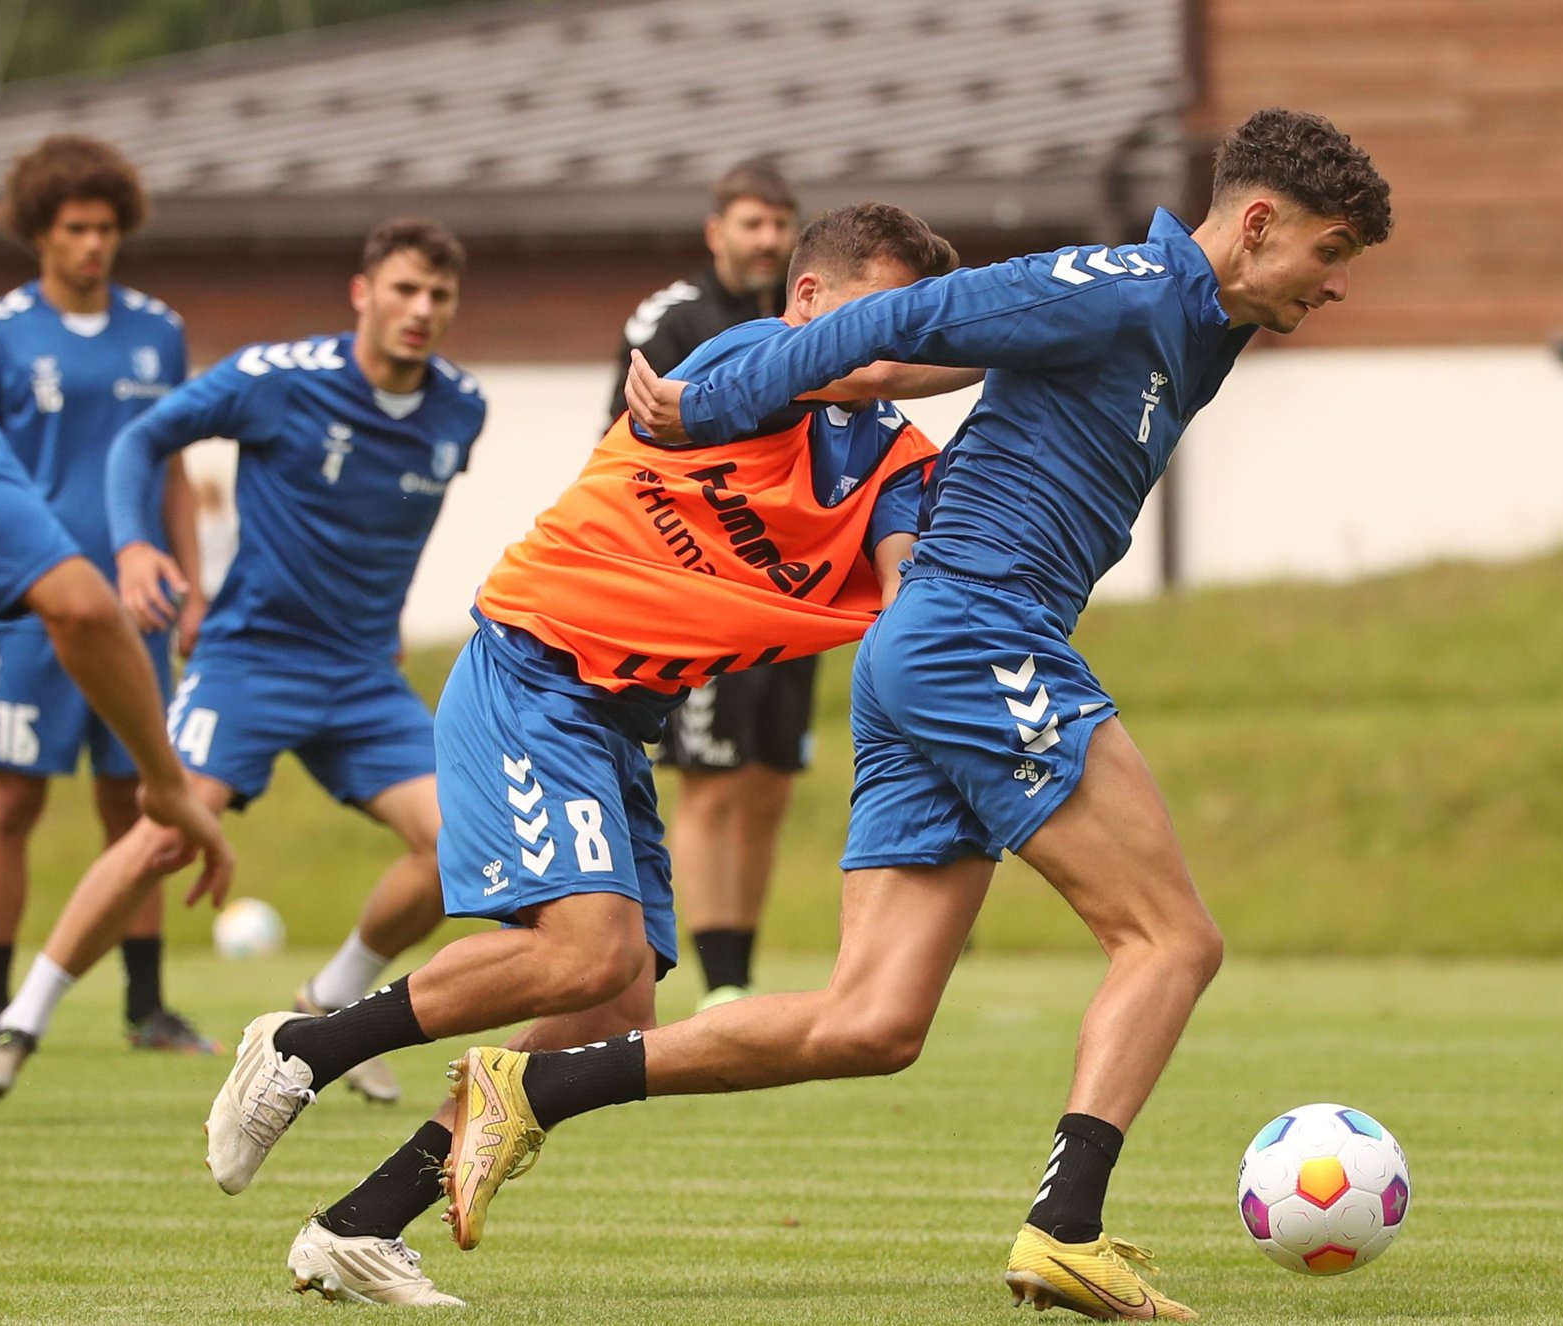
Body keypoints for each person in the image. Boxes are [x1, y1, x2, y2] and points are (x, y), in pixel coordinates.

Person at [460, 107, 1387, 1320]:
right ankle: (1066, 1230)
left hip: (931, 650)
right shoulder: (1120, 282)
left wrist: (826, 376)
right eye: (1327, 254)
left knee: (872, 1022)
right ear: (1255, 224)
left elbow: (903, 364)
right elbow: (905, 318)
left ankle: (530, 1092)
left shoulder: (1197, 320)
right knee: (1170, 940)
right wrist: (717, 395)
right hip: (975, 634)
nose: (1332, 289)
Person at [200, 203, 973, 1307]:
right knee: (577, 950)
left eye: (919, 323)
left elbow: (901, 586)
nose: (902, 347)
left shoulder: (897, 459)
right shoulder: (744, 361)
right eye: (881, 314)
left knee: (612, 1008)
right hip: (535, 663)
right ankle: (304, 1047)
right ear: (807, 303)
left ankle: (359, 1224)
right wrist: (1041, 321)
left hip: (618, 721)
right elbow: (817, 373)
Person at [0, 217, 486, 1100]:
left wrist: (387, 612)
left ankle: (329, 1003)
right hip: (250, 662)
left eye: (439, 295)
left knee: (461, 845)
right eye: (404, 289)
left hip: (360, 677)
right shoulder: (275, 380)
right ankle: (18, 1023)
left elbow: (392, 519)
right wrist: (133, 548)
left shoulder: (461, 407)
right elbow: (140, 441)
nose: (421, 309)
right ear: (363, 293)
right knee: (165, 829)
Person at [0, 97, 231, 980]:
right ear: (38, 234)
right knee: (11, 800)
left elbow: (170, 469)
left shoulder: (157, 331)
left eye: (106, 228)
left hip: (134, 601)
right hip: (23, 607)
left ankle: (146, 1000)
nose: (94, 244)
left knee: (136, 800)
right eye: (75, 228)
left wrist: (193, 590)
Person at [612, 161, 808, 1009]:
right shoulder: (672, 319)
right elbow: (628, 448)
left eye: (778, 225)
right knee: (712, 779)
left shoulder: (800, 319)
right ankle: (719, 980)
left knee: (768, 782)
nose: (766, 240)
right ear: (715, 230)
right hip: (706, 593)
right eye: (752, 223)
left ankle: (745, 969)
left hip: (792, 593)